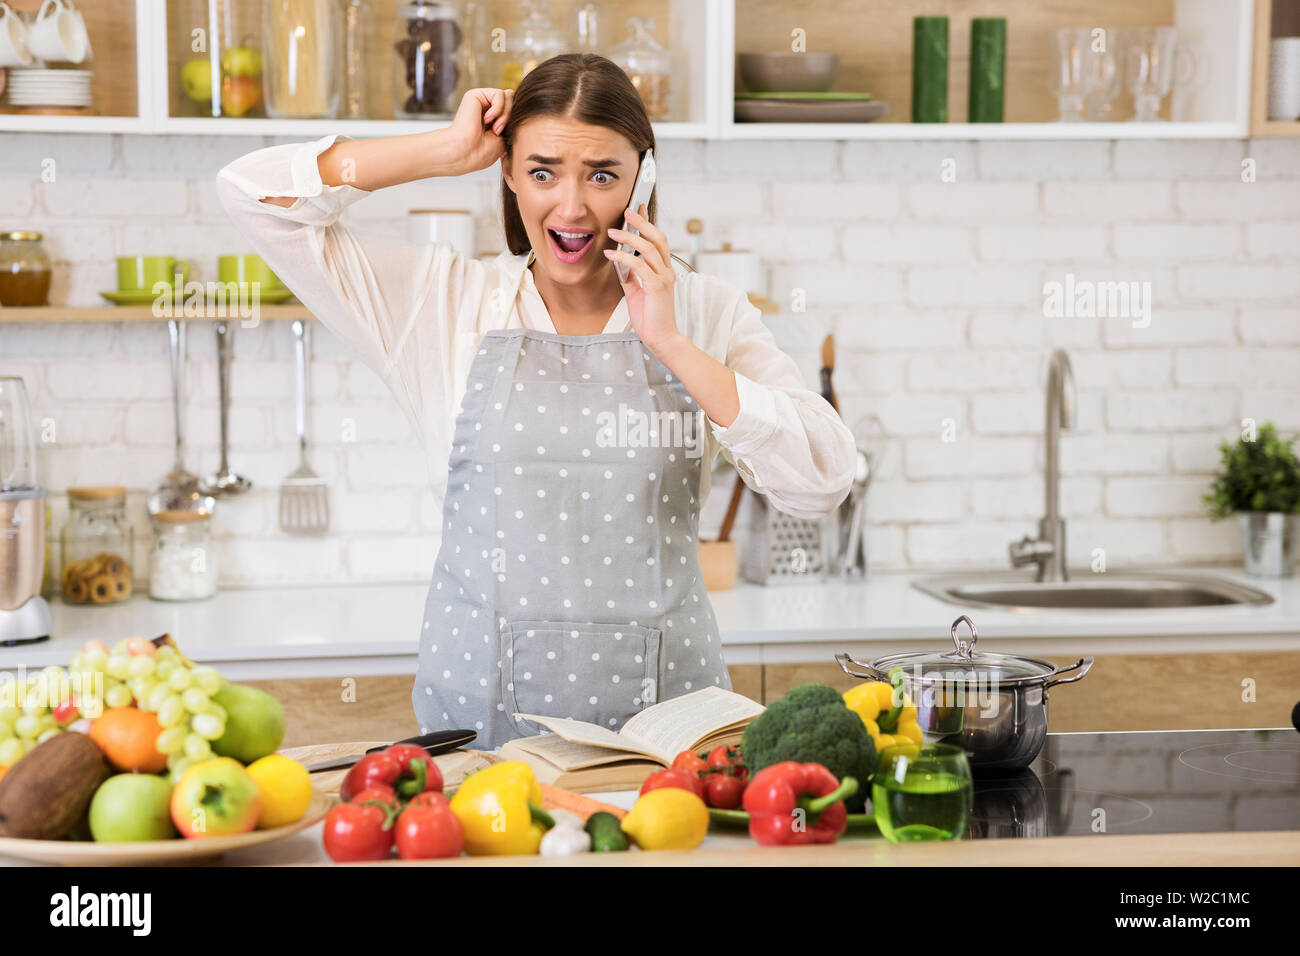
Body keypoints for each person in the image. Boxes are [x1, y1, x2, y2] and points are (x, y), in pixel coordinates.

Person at [216, 53, 856, 751]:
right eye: (543, 171)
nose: (571, 206)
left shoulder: (705, 312)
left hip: (670, 739)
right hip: (484, 743)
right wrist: (443, 151)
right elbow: (250, 193)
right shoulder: (443, 303)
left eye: (602, 175)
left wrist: (670, 342)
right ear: (509, 174)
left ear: (643, 179)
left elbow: (823, 478)